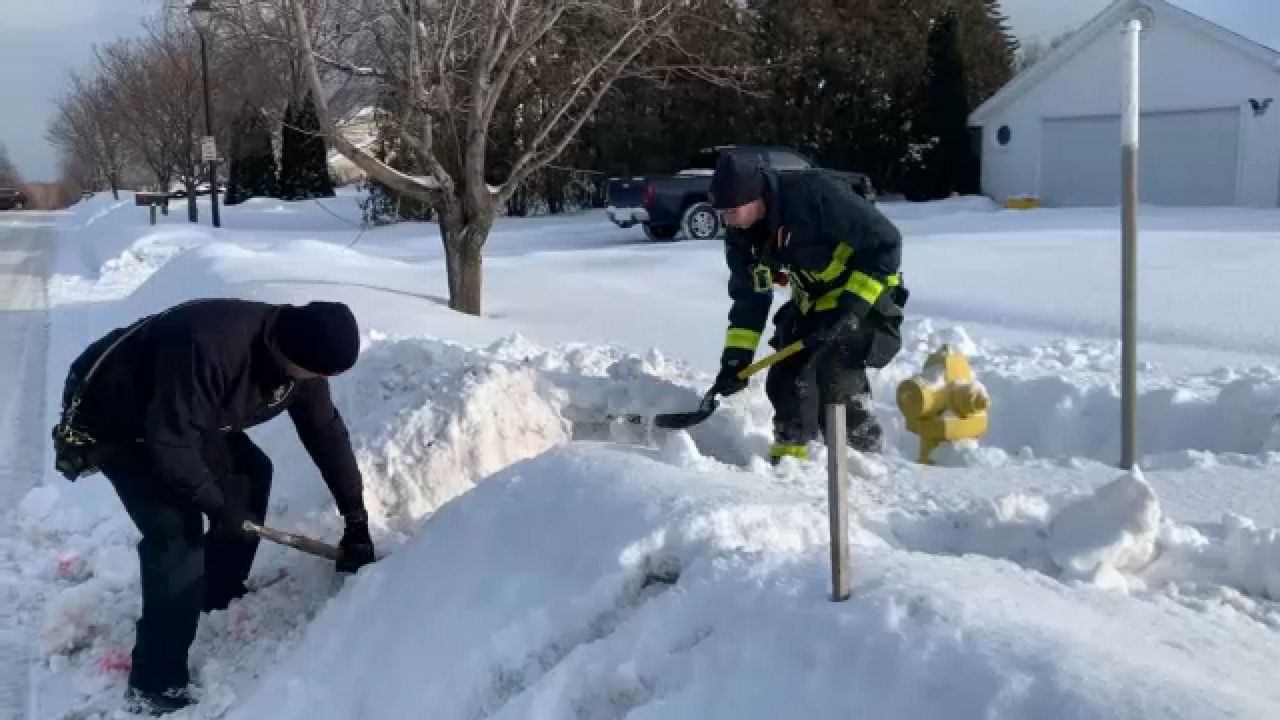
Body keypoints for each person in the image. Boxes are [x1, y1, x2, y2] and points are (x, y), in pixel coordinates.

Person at [51, 298, 376, 715]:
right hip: (117, 414)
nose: (319, 381)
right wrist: (218, 507)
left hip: (179, 413)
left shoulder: (303, 357)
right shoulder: (212, 346)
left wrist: (356, 517)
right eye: (318, 373)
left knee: (250, 475)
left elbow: (325, 433)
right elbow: (168, 443)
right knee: (175, 533)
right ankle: (155, 682)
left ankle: (216, 593)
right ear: (289, 354)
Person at [707, 152, 908, 462]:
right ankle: (791, 464)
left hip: (868, 298)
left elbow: (887, 243)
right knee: (786, 376)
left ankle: (863, 459)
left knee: (833, 370)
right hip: (815, 304)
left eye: (732, 210)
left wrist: (849, 310)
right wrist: (735, 361)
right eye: (722, 212)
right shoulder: (742, 237)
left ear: (756, 197)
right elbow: (750, 300)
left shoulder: (814, 195)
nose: (726, 220)